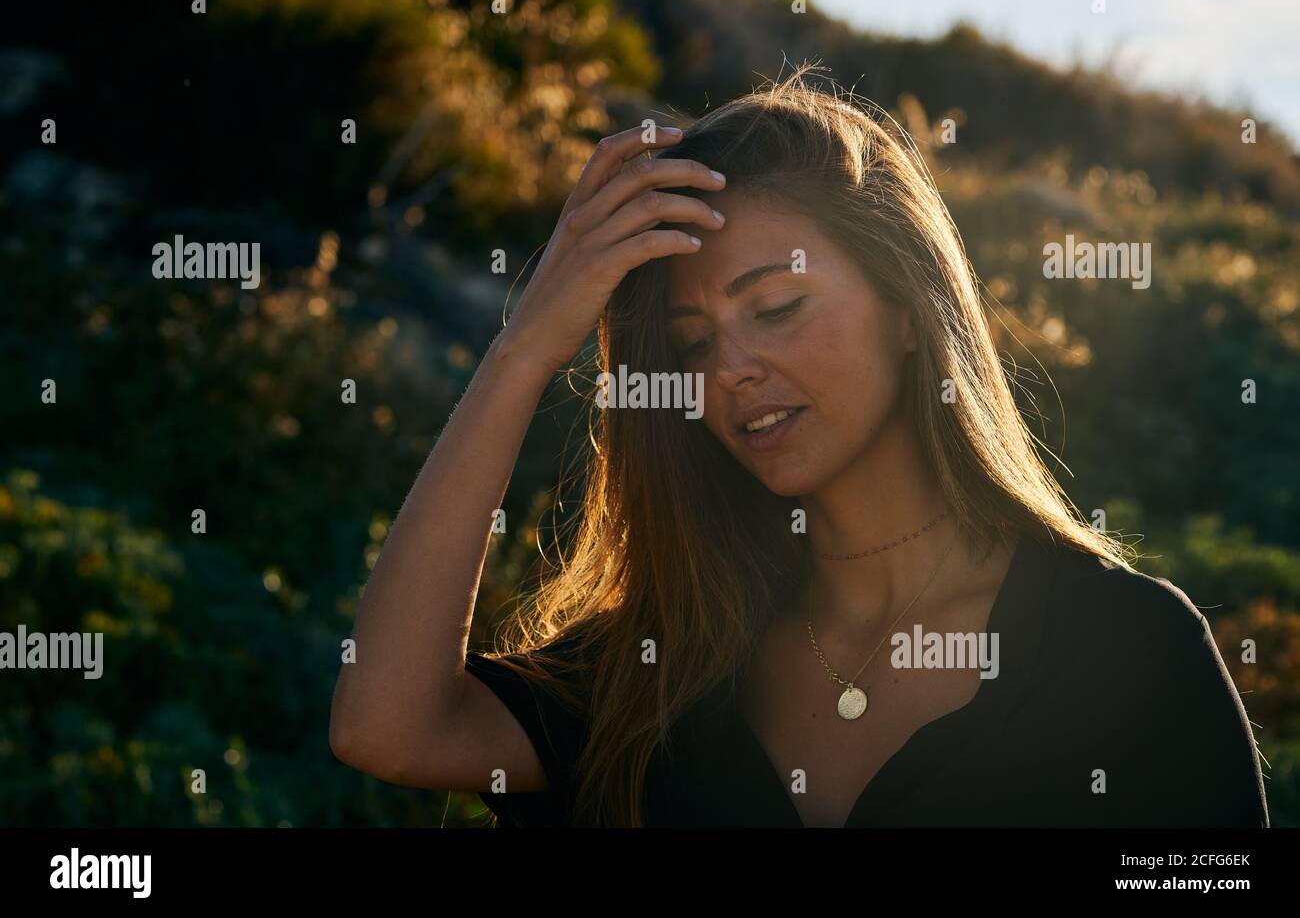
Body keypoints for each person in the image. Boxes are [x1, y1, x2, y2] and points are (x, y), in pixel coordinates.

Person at [328, 69, 1269, 828]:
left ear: (907, 310)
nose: (730, 368)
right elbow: (388, 724)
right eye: (693, 344)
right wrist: (523, 348)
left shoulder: (1127, 655)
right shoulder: (658, 671)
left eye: (777, 307)